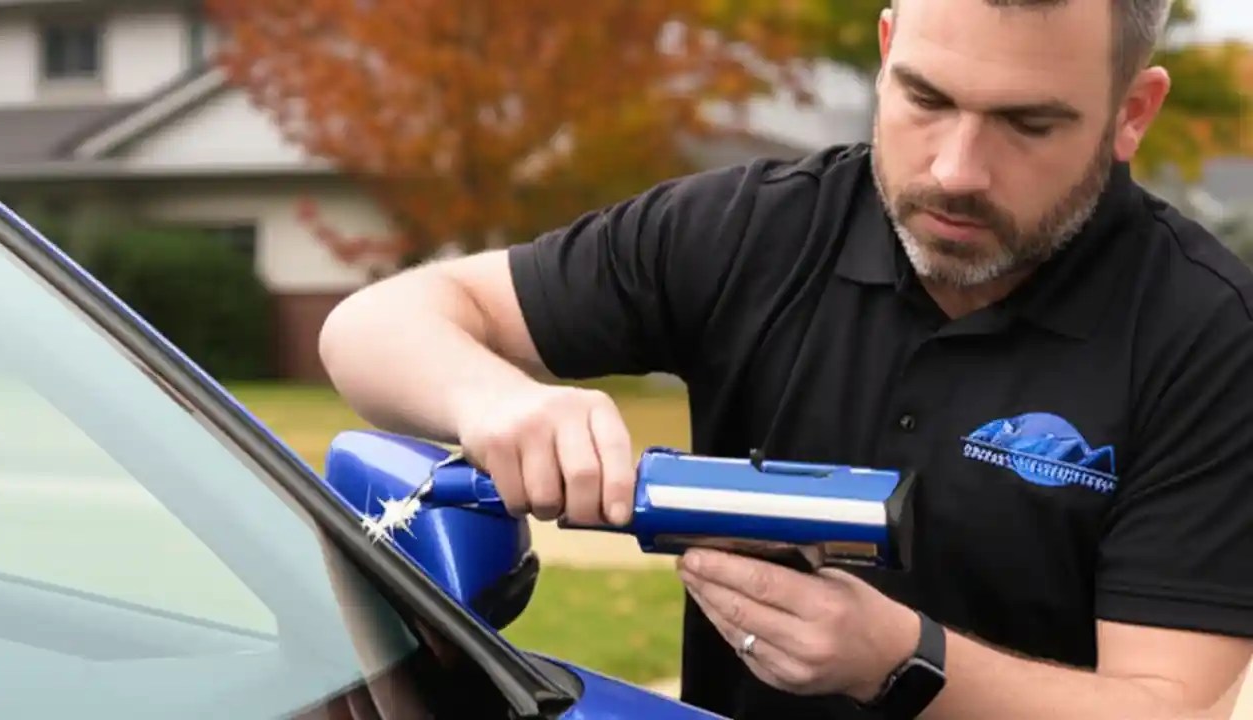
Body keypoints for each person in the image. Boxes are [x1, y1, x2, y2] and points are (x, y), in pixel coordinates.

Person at [317, 0, 1253, 717]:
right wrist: (493, 401)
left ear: (1133, 113)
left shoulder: (1204, 334)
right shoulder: (753, 231)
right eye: (926, 99)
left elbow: (1173, 705)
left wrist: (907, 659)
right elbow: (370, 327)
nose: (958, 168)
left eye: (1028, 123)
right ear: (886, 52)